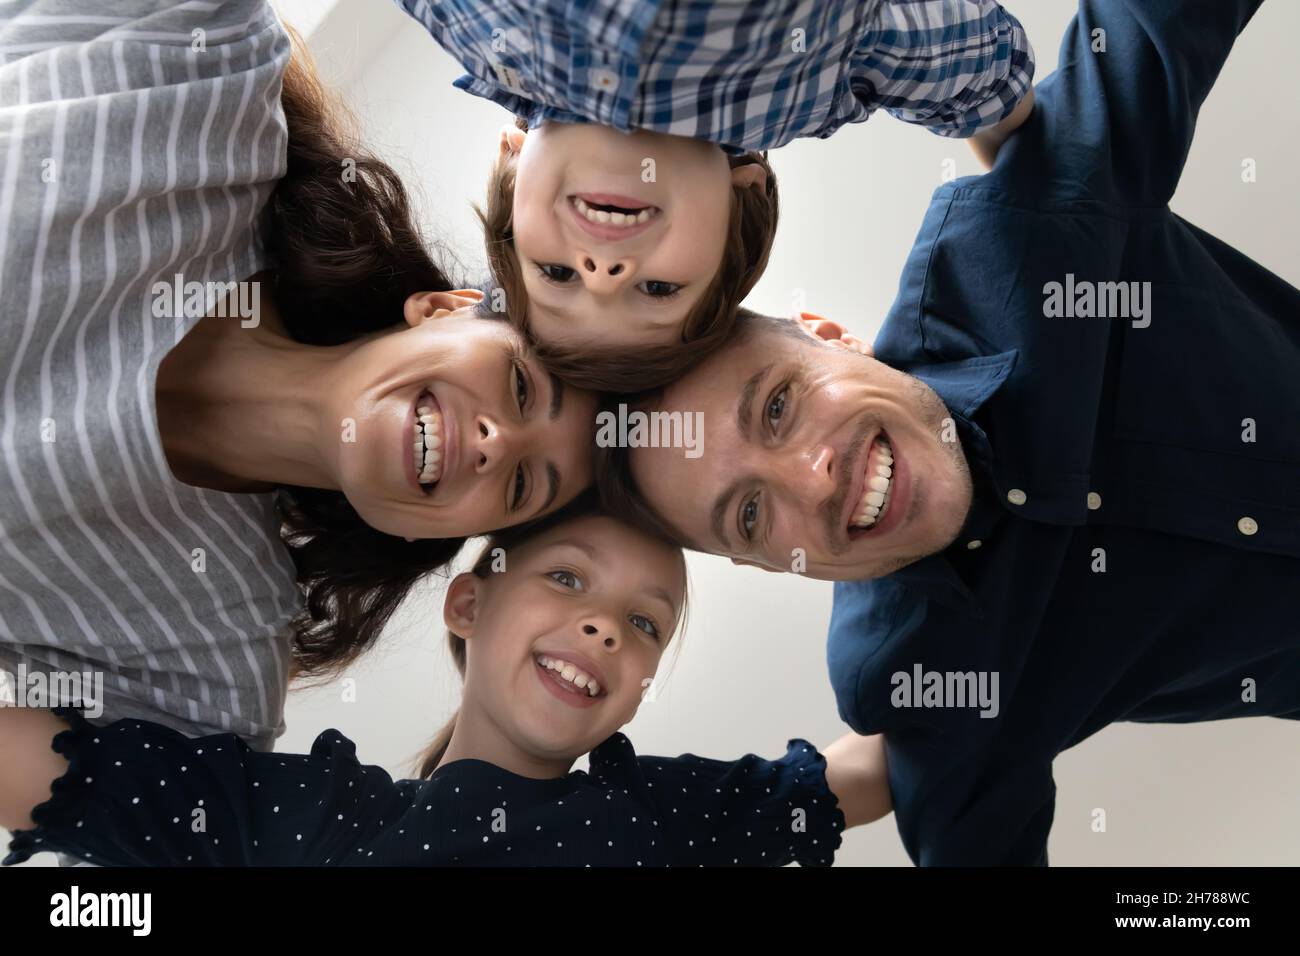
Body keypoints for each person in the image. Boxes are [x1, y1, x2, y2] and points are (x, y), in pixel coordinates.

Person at [597, 0, 1300, 863]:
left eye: (778, 406)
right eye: (749, 515)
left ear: (827, 334)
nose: (814, 479)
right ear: (758, 566)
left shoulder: (1020, 242)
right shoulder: (915, 673)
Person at [0, 0, 596, 751]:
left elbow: (110, 839)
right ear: (445, 308)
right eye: (521, 388)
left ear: (439, 535)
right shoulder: (208, 81)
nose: (494, 442)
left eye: (518, 485)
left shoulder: (214, 667)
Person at [0, 502, 891, 866]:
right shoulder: (313, 812)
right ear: (467, 602)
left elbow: (862, 777)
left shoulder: (662, 817)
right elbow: (54, 773)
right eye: (568, 579)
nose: (605, 628)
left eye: (645, 623)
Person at [396, 0, 1036, 386]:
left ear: (514, 157)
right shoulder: (827, 82)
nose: (604, 270)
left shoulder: (475, 30)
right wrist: (1029, 176)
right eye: (656, 290)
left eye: (557, 274)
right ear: (743, 197)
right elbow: (984, 82)